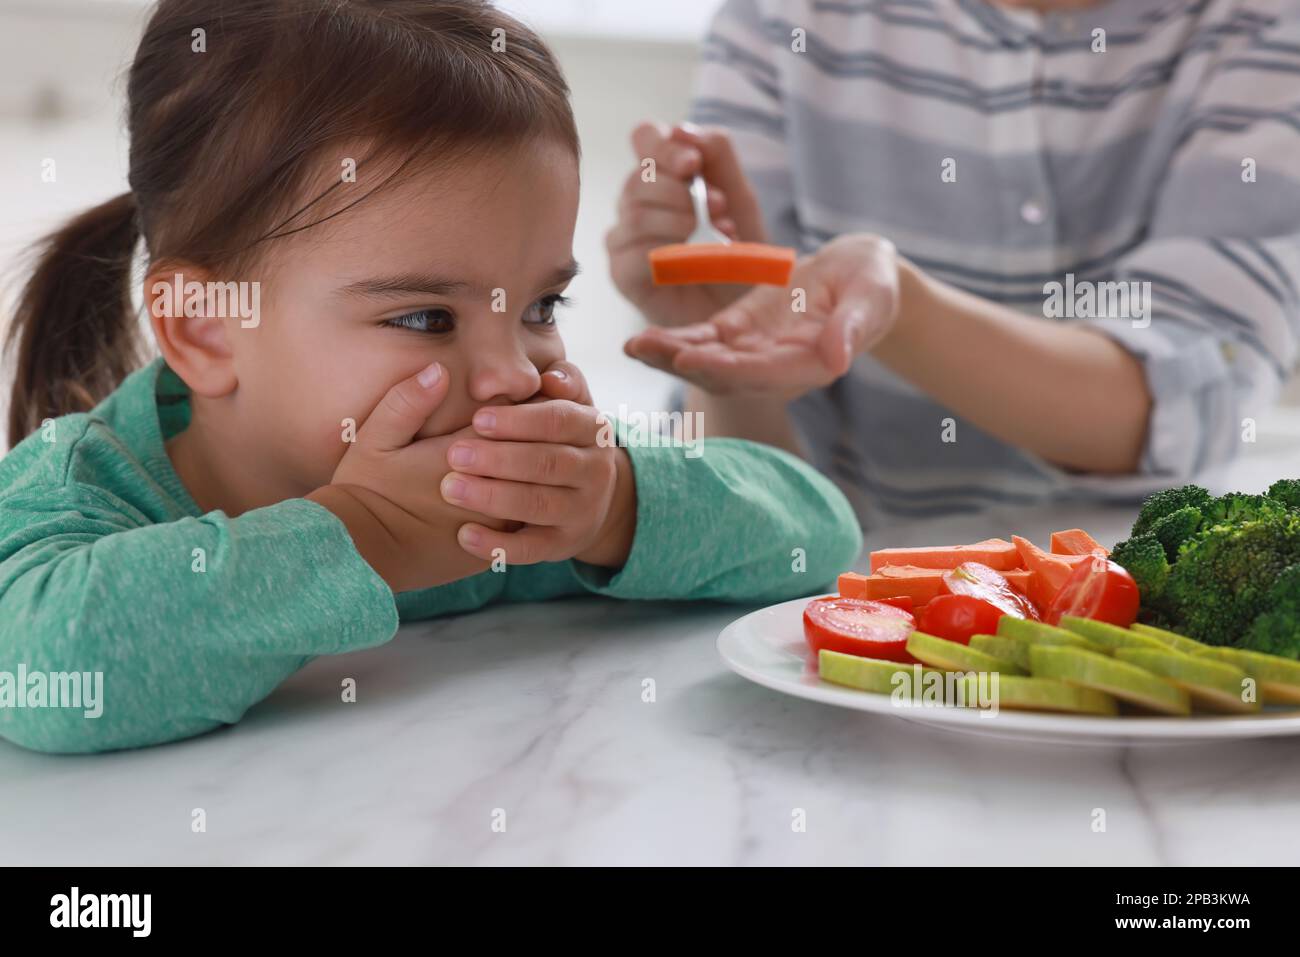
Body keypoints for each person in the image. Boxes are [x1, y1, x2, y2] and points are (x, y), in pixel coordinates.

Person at [0, 0, 861, 754]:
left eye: (540, 307)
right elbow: (44, 673)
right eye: (424, 319)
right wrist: (363, 534)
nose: (511, 375)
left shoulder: (512, 495)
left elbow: (818, 534)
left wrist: (611, 508)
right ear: (208, 327)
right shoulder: (84, 495)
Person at [610, 0, 1300, 527]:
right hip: (834, 600)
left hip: (1142, 613)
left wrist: (901, 309)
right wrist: (728, 349)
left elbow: (1195, 393)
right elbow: (761, 504)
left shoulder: (1262, 22)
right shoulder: (782, 18)